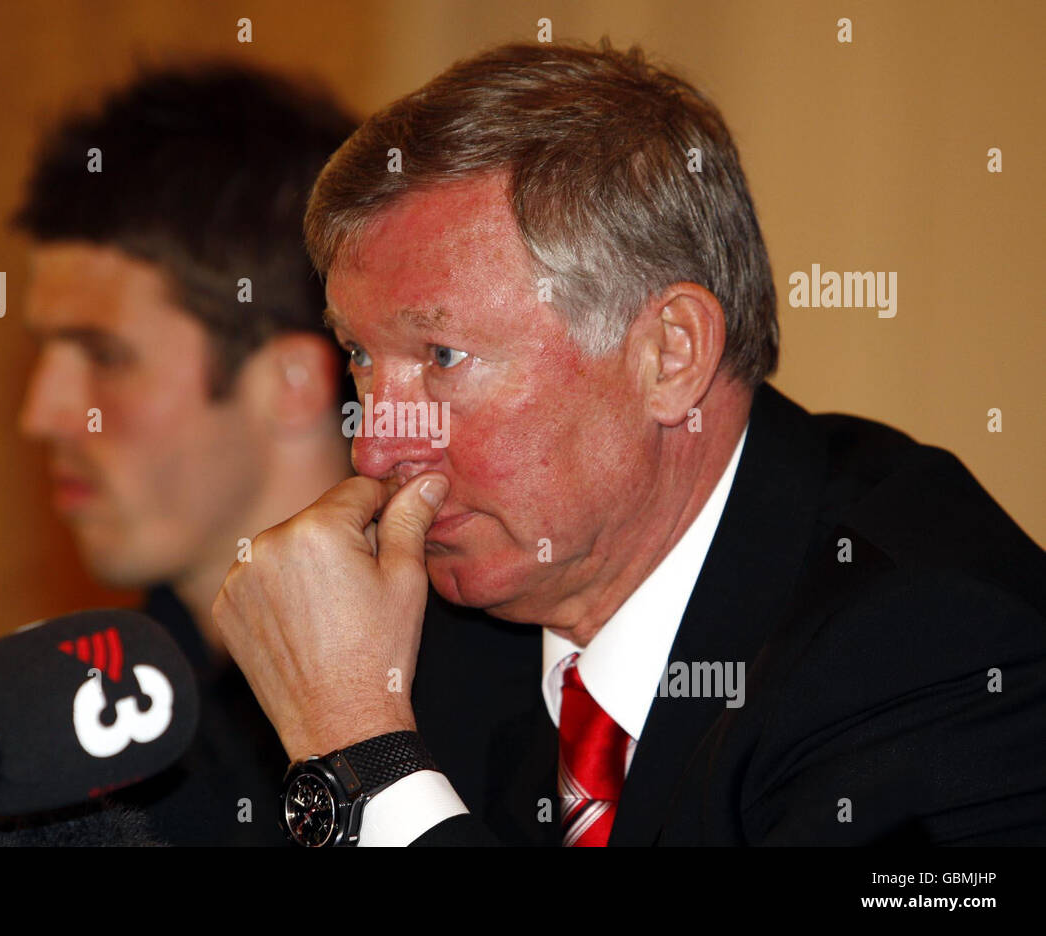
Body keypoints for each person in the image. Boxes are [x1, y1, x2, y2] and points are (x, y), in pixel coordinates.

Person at [211, 40, 1046, 846]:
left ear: (670, 355)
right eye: (359, 354)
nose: (376, 451)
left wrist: (365, 754)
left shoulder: (931, 647)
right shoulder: (412, 627)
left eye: (442, 357)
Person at [14, 64, 356, 844]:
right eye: (43, 355)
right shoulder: (86, 717)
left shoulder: (495, 702)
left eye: (104, 353)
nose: (42, 414)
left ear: (294, 380)